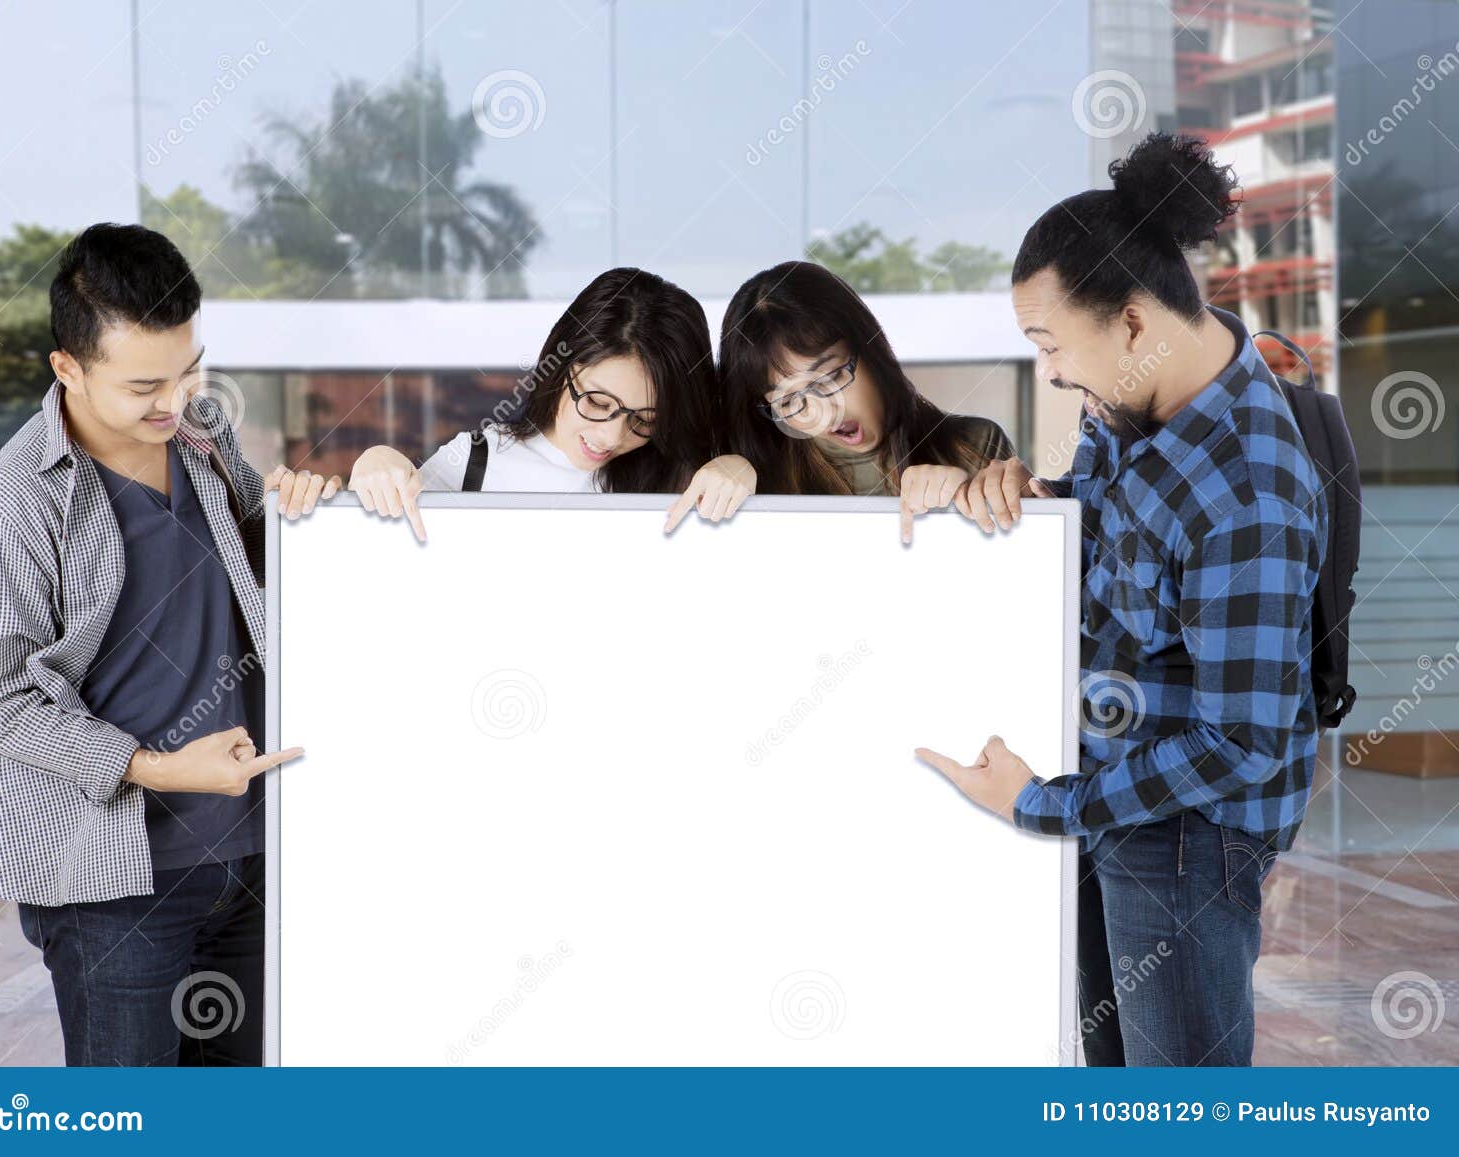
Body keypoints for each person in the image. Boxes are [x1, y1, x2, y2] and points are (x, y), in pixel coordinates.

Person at [918, 134, 1328, 1066]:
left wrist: (1042, 804)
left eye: (1050, 345)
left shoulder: (1248, 491)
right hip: (1115, 792)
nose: (1052, 371)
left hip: (1188, 836)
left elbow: (1241, 741)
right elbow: (1110, 528)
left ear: (1135, 324)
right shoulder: (1132, 395)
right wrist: (1034, 499)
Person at [0, 223, 332, 1066]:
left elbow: (244, 566)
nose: (177, 400)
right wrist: (158, 769)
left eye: (190, 369)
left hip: (245, 855)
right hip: (109, 885)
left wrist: (308, 510)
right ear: (68, 369)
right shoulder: (12, 505)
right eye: (144, 385)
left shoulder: (198, 434)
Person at [347, 267, 756, 537]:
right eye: (597, 403)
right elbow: (389, 538)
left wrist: (738, 468)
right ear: (559, 368)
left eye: (645, 420)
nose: (611, 436)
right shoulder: (478, 462)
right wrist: (377, 462)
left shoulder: (682, 478)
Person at [718, 260, 1015, 542]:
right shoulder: (757, 481)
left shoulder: (975, 446)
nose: (821, 413)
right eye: (790, 401)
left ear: (870, 348)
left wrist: (962, 506)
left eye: (830, 377)